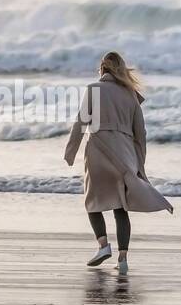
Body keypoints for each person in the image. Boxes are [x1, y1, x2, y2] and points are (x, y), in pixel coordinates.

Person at [64, 51, 173, 274]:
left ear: (102, 69)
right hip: (125, 154)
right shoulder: (130, 94)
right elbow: (140, 133)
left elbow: (80, 122)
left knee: (92, 201)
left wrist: (70, 151)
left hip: (98, 150)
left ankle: (103, 246)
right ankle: (123, 259)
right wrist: (139, 163)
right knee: (120, 206)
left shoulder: (94, 89)